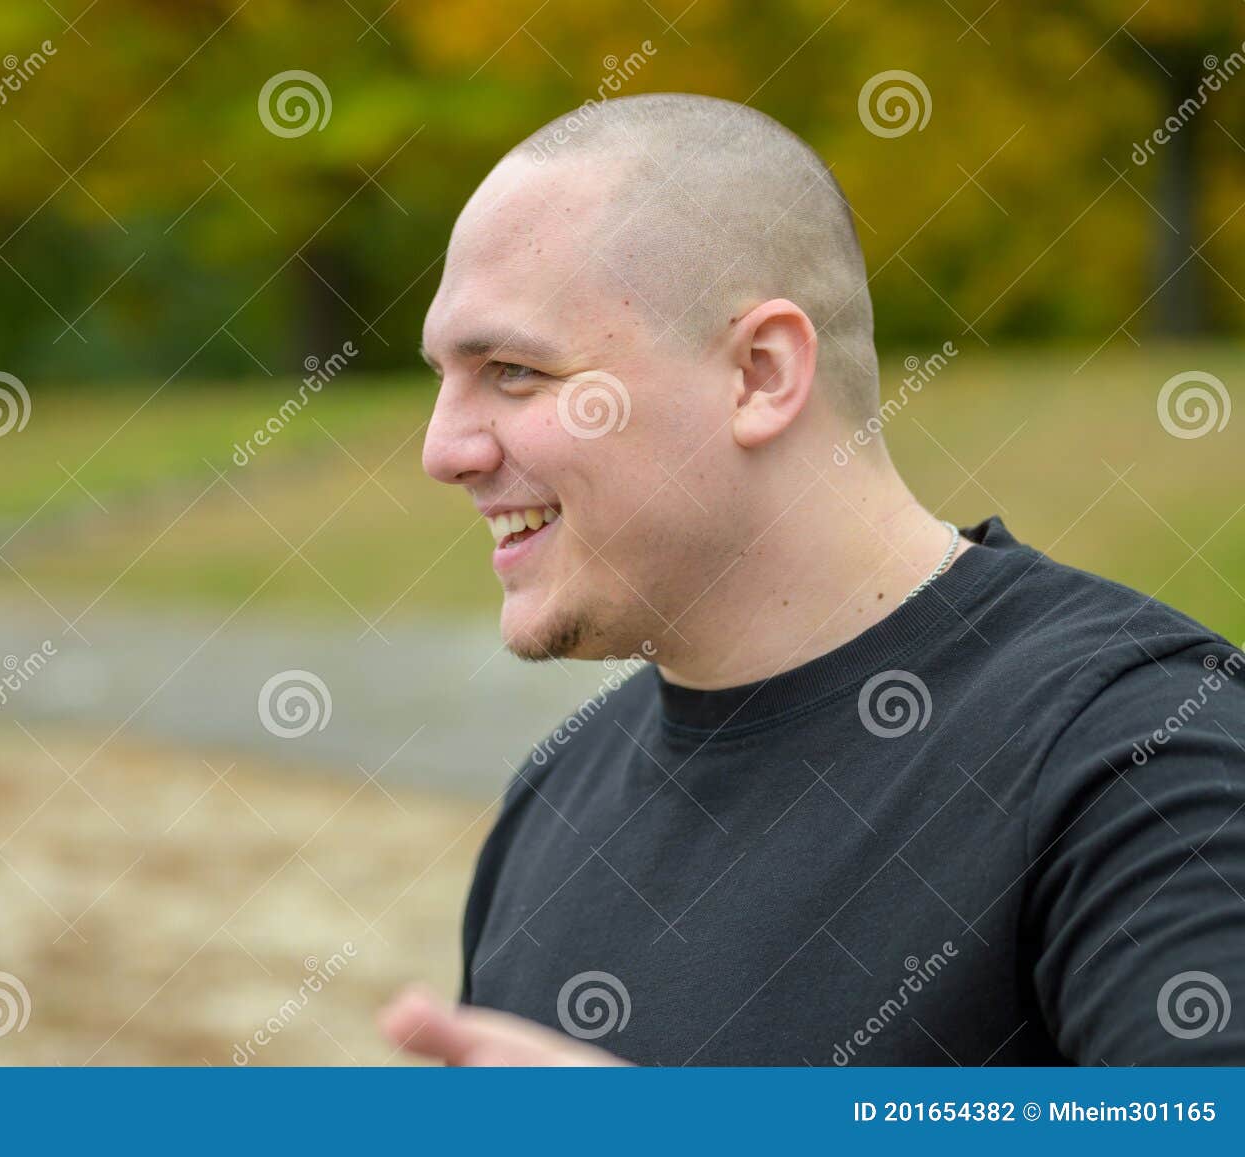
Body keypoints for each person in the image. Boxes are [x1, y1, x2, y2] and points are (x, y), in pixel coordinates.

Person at [377, 93, 1245, 1066]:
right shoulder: (553, 802)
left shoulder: (1139, 752)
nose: (443, 449)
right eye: (444, 376)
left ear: (758, 372)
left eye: (512, 369)